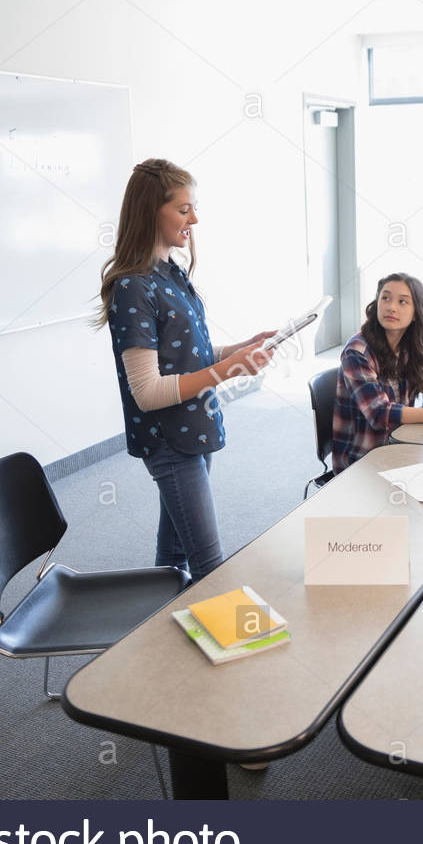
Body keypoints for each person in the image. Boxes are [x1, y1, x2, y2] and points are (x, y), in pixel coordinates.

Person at [96, 158, 276, 583]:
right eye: (183, 209)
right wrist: (228, 370)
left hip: (192, 426)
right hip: (169, 438)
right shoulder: (133, 287)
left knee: (173, 554)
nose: (194, 218)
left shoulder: (169, 271)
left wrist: (238, 349)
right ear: (150, 211)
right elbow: (149, 391)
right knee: (210, 567)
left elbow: (186, 353)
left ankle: (154, 637)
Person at [333, 273, 423, 473]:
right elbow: (379, 413)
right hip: (362, 460)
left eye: (403, 302)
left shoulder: (409, 345)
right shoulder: (357, 351)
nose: (391, 307)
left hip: (401, 444)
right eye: (385, 298)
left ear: (415, 313)